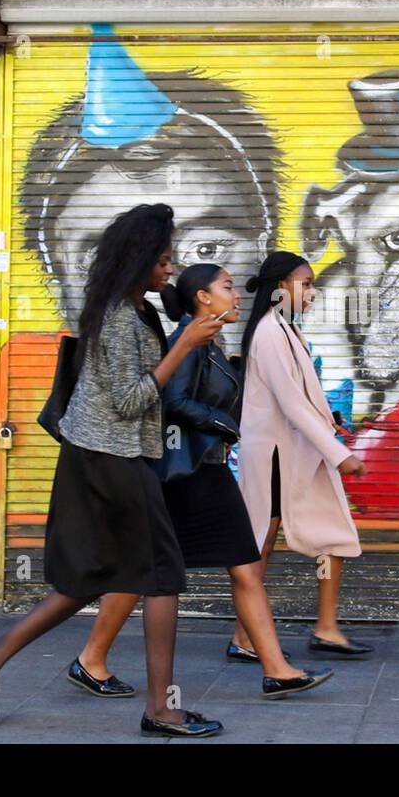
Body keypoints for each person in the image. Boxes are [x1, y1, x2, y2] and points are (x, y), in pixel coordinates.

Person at [0, 203, 227, 738]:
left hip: (103, 456)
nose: (170, 270)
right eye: (163, 261)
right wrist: (184, 347)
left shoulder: (135, 309)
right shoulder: (117, 318)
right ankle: (161, 709)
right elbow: (131, 400)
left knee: (90, 577)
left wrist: (183, 323)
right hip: (112, 458)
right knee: (162, 577)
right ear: (139, 261)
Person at [115, 262, 333, 698]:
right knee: (156, 571)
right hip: (189, 474)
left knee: (240, 564)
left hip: (205, 468)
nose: (238, 296)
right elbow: (173, 401)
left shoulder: (211, 344)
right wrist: (228, 427)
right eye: (228, 287)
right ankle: (93, 658)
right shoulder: (191, 342)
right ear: (203, 298)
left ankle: (275, 668)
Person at [232, 251, 374, 658]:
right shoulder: (270, 333)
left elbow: (298, 397)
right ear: (281, 287)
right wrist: (339, 453)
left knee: (331, 536)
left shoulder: (286, 330)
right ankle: (244, 637)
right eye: (306, 284)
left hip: (300, 453)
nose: (313, 292)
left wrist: (326, 417)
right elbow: (291, 405)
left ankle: (327, 628)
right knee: (261, 542)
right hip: (279, 458)